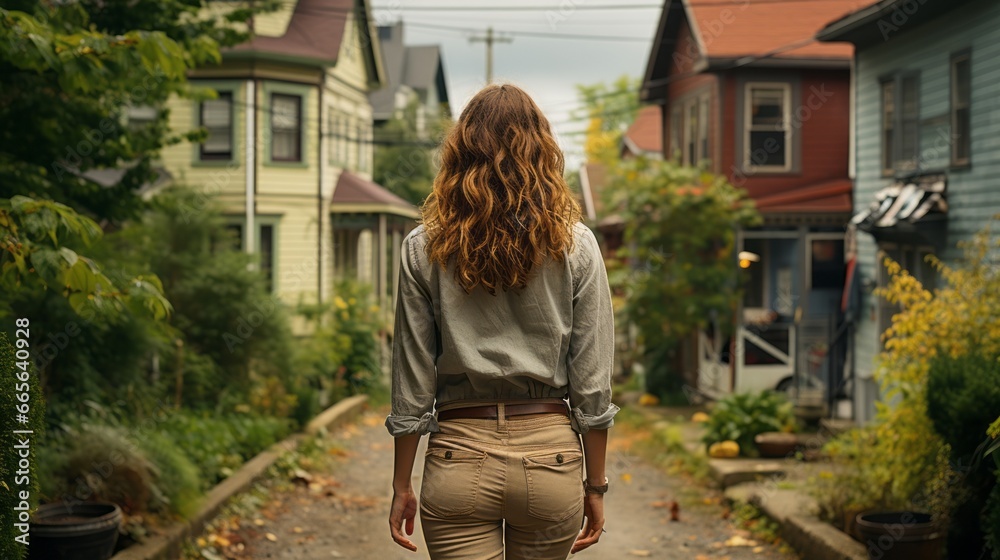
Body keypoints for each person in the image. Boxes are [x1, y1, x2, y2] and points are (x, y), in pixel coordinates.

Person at [385, 83, 619, 560]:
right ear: (543, 153)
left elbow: (411, 383)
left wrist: (401, 484)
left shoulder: (422, 248)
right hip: (550, 460)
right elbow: (592, 383)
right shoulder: (578, 245)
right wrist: (595, 486)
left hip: (457, 459)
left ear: (459, 155)